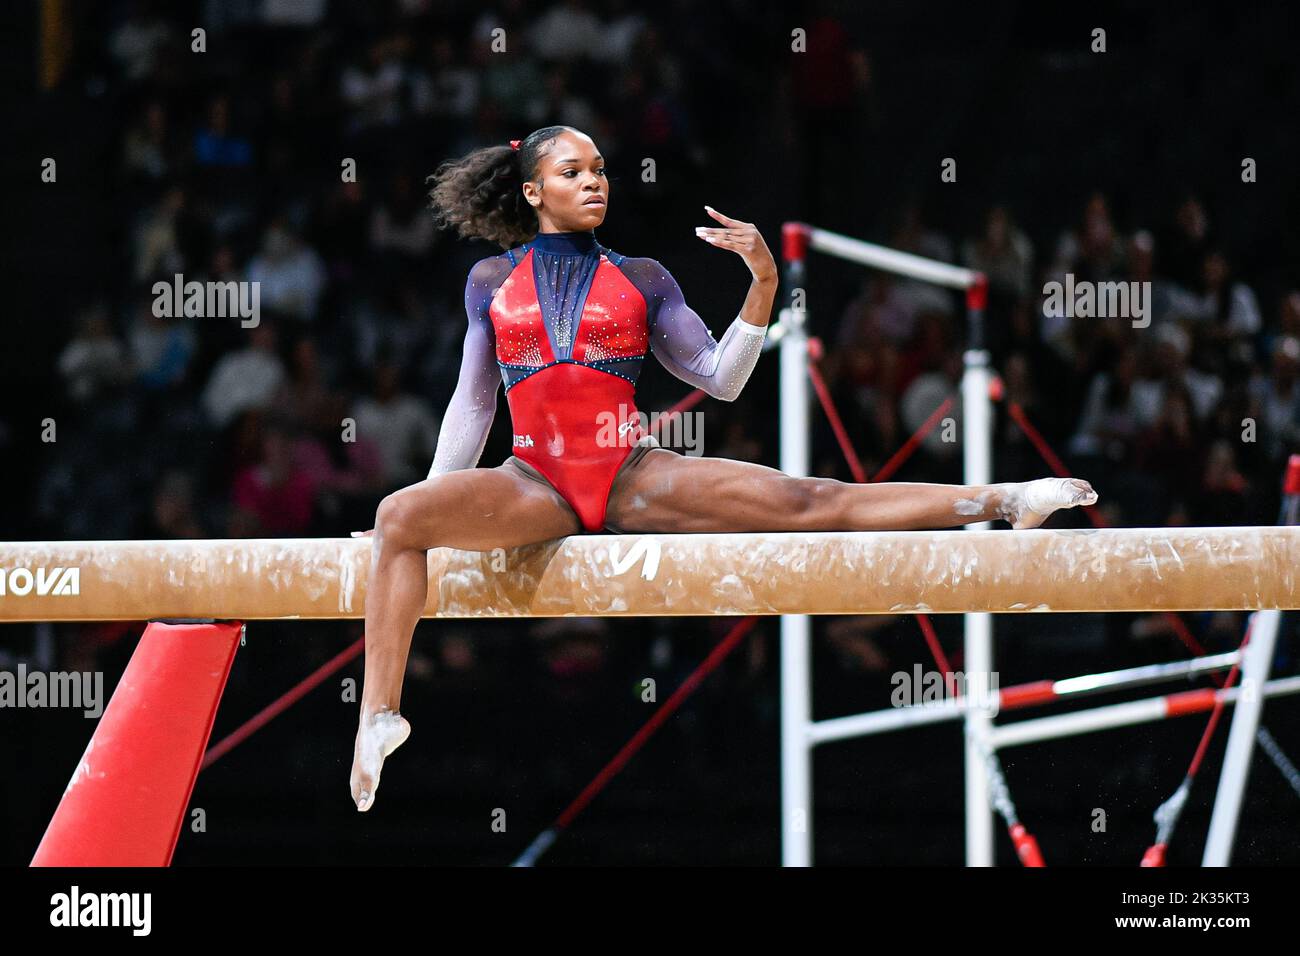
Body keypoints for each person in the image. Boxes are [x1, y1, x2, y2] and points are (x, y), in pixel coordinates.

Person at [349, 126, 1098, 811]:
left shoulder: (643, 277)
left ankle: (1003, 500)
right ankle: (379, 717)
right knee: (397, 518)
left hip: (630, 472)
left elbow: (721, 378)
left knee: (812, 500)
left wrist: (763, 283)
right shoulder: (488, 282)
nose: (594, 182)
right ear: (532, 190)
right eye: (572, 172)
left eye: (601, 170)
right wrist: (430, 506)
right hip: (532, 480)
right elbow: (471, 408)